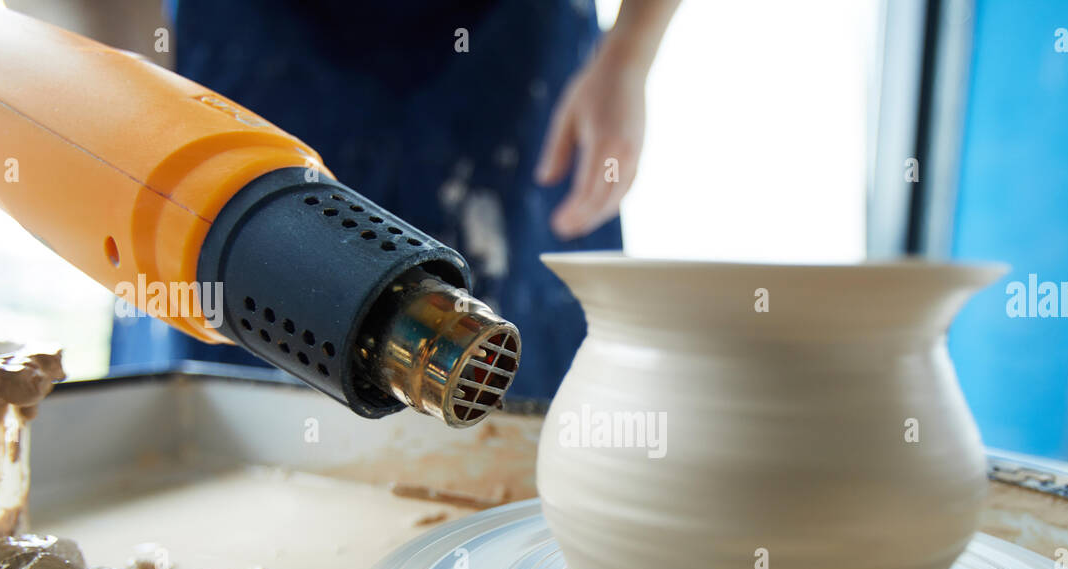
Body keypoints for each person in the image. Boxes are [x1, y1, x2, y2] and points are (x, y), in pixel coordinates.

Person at [113, 0, 679, 400]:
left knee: (524, 423)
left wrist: (628, 54)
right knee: (227, 404)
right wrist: (128, 94)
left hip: (512, 48)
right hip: (251, 35)